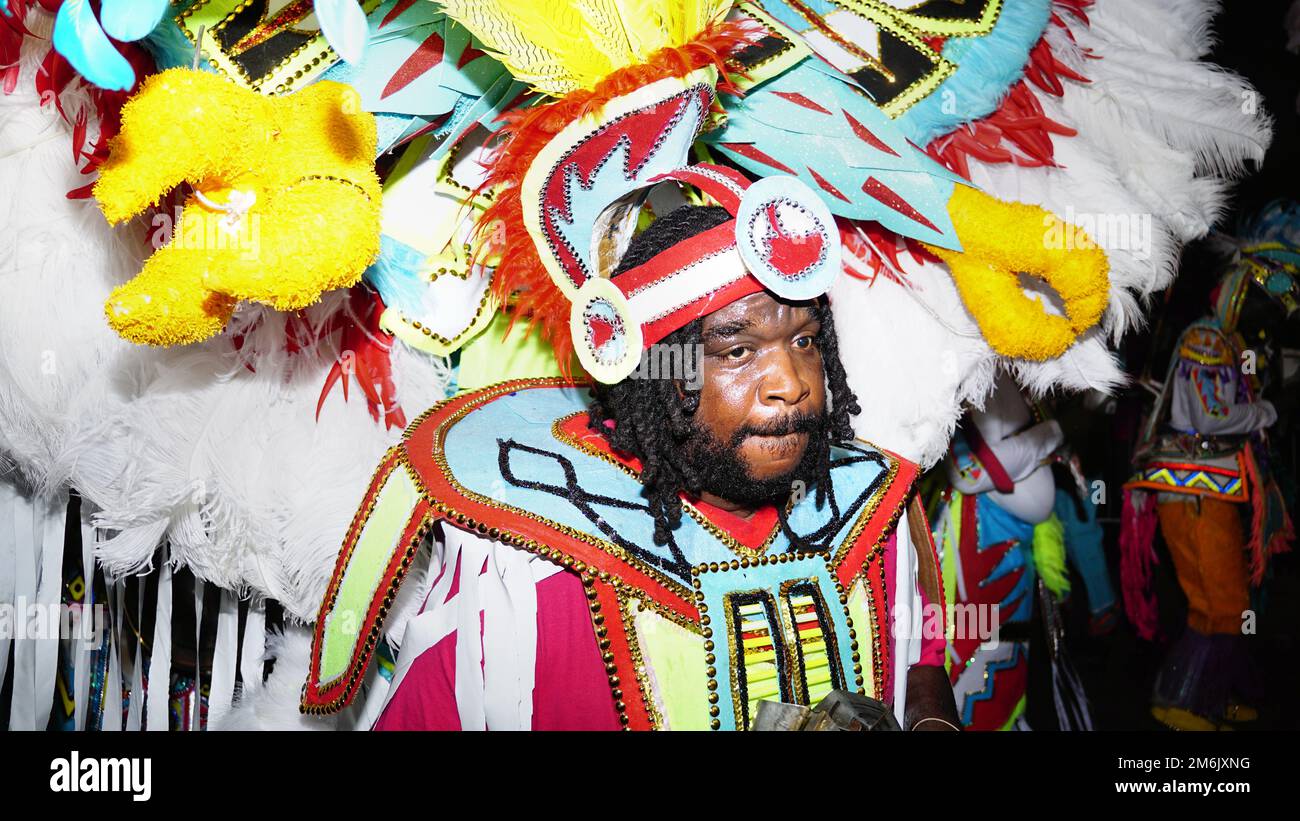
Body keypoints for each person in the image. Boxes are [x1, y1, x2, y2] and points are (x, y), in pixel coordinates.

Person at [1124, 201, 1299, 731]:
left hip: (1210, 490)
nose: (1280, 313)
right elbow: (1210, 414)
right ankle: (1181, 703)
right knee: (1219, 599)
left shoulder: (1224, 341)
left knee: (1222, 598)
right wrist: (1270, 409)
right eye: (1275, 300)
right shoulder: (1205, 338)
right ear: (1244, 290)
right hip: (1195, 491)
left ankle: (1209, 698)